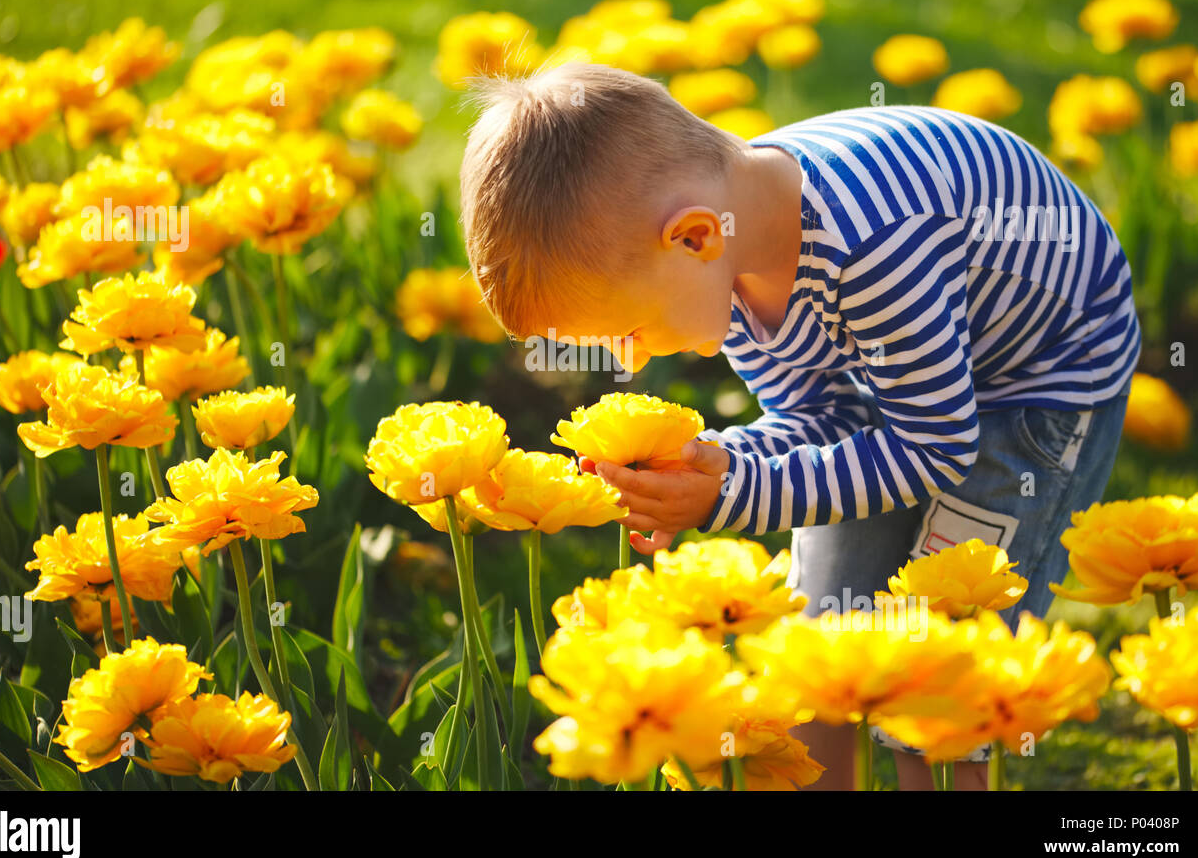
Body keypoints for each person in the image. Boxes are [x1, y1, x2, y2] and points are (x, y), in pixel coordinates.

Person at [457, 61, 1139, 789]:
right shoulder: (733, 252)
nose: (629, 360)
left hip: (1040, 380)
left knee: (936, 675)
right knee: (820, 643)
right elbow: (819, 416)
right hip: (903, 380)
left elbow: (938, 445)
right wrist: (712, 461)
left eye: (628, 330)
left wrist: (729, 496)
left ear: (692, 239)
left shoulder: (872, 248)